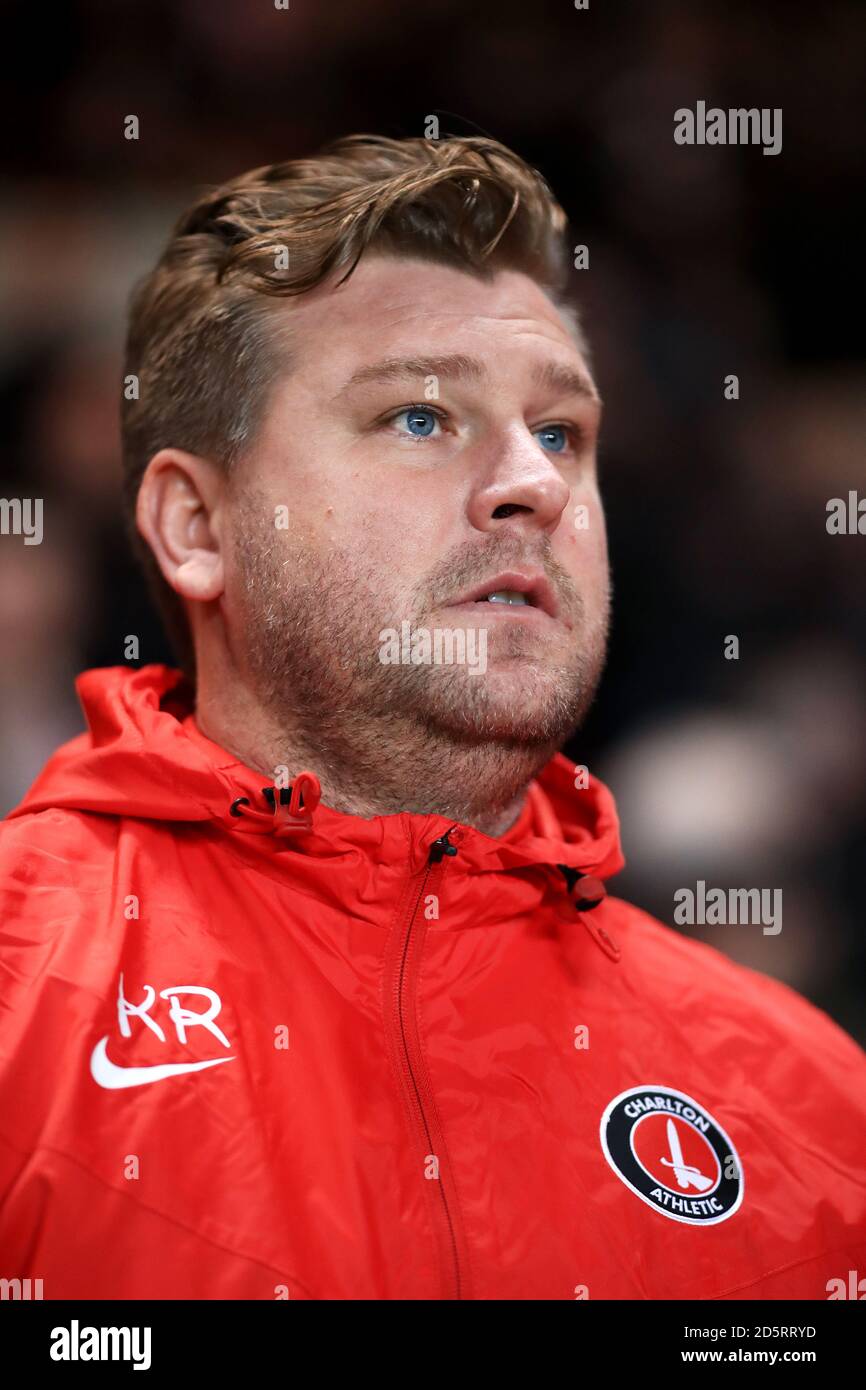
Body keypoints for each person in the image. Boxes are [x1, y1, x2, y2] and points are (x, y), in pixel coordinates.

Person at [1, 134, 864, 1301]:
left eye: (561, 431)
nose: (536, 482)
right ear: (198, 528)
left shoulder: (814, 1107)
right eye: (419, 415)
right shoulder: (22, 995)